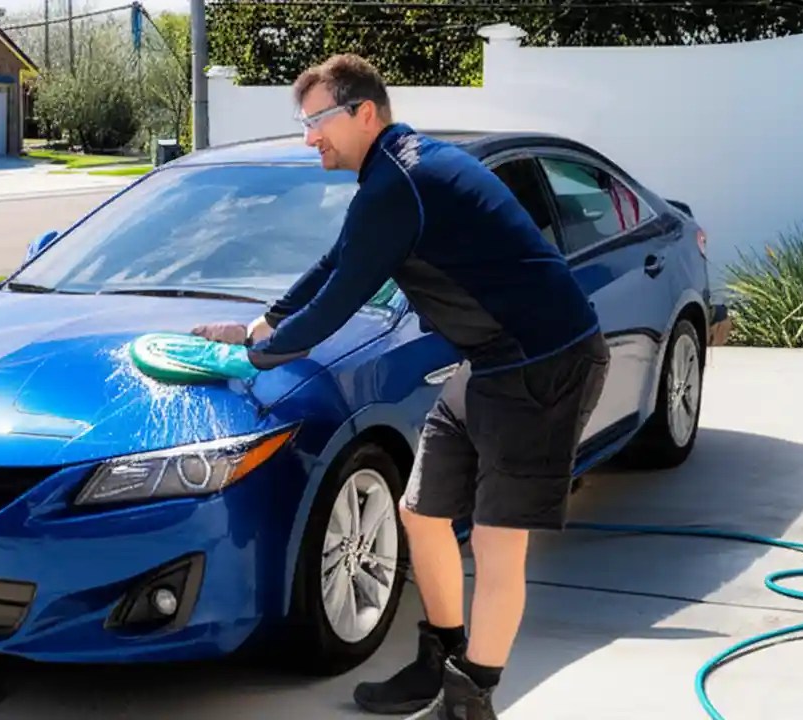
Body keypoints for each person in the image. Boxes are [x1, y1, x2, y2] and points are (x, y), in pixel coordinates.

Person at [191, 54, 609, 719]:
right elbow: (336, 263)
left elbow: (336, 305)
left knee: (498, 544)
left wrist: (257, 359)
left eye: (319, 121)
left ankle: (469, 701)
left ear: (364, 114)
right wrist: (254, 327)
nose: (310, 138)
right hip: (490, 362)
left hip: (542, 363)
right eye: (304, 124)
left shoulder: (402, 181)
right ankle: (440, 658)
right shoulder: (393, 175)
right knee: (422, 510)